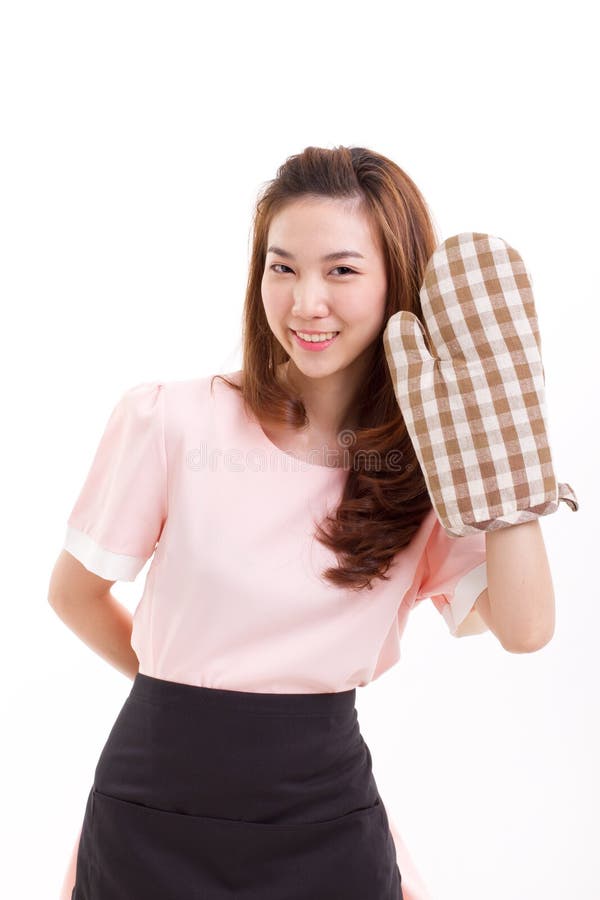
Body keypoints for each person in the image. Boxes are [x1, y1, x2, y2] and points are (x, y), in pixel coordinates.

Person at [50, 145, 499, 900]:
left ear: (399, 281)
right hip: (155, 814)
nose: (304, 301)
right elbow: (73, 595)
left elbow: (520, 626)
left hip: (323, 817)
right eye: (282, 266)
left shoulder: (429, 466)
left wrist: (508, 469)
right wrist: (191, 704)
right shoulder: (172, 419)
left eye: (342, 270)